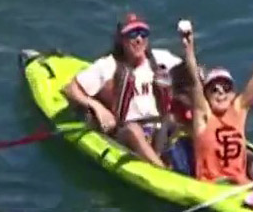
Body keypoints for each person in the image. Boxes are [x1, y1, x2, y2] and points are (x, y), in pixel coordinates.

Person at [180, 13, 253, 185]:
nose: (221, 93)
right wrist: (189, 48)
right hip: (213, 187)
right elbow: (194, 79)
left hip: (241, 184)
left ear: (232, 95)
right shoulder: (204, 115)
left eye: (226, 88)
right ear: (207, 96)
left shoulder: (238, 110)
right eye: (214, 89)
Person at [62, 13, 182, 167]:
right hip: (126, 131)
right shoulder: (107, 66)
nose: (139, 39)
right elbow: (71, 89)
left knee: (176, 117)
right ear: (122, 40)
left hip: (159, 128)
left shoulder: (161, 58)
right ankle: (161, 170)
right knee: (133, 130)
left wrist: (189, 48)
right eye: (132, 34)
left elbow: (191, 76)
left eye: (143, 33)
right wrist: (98, 108)